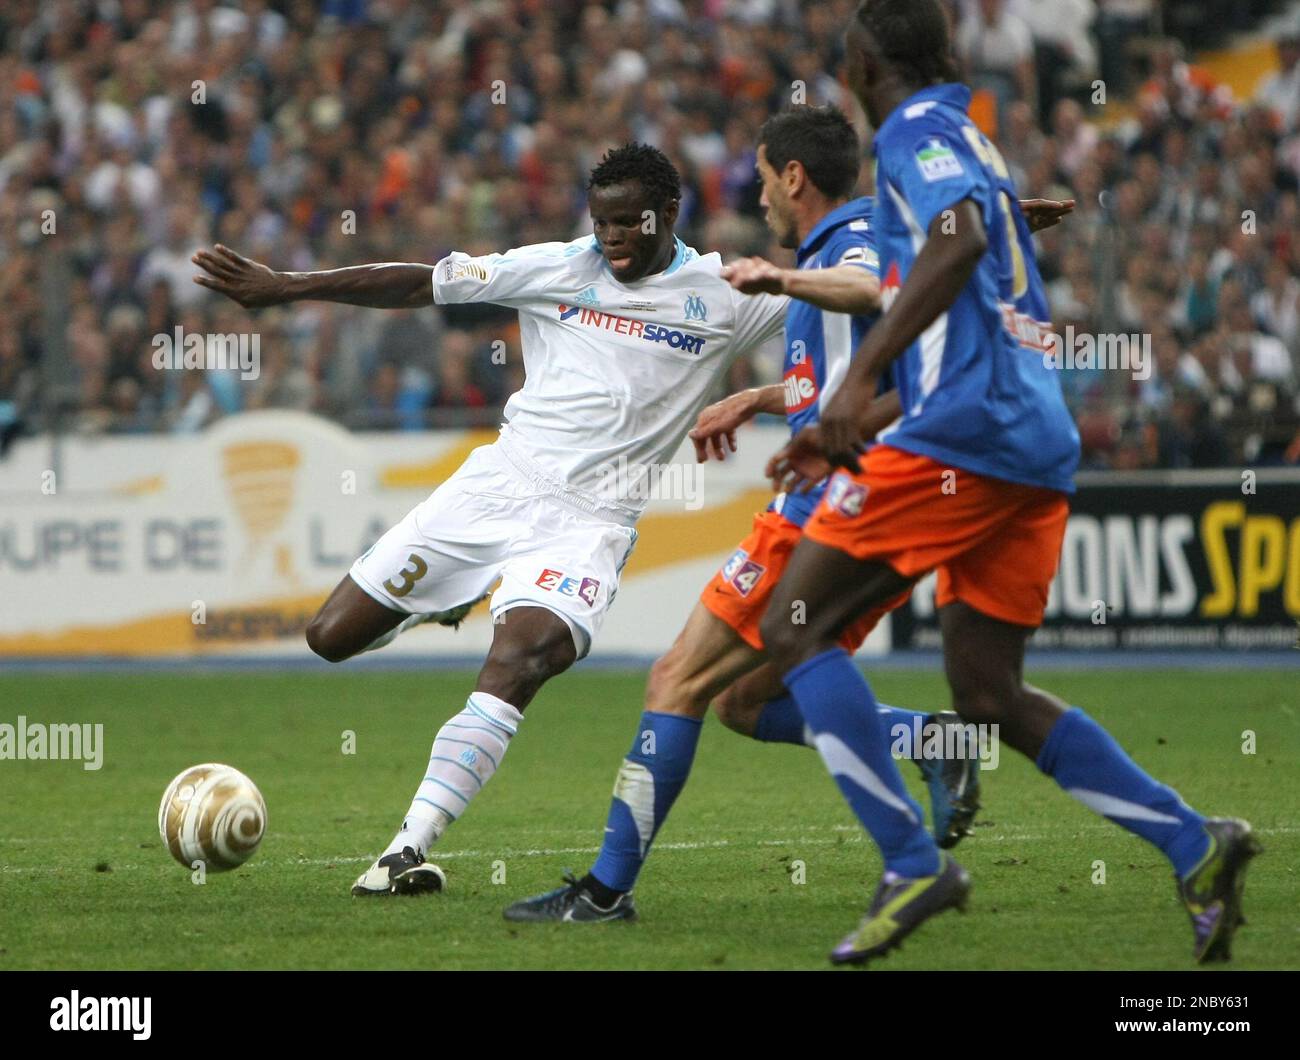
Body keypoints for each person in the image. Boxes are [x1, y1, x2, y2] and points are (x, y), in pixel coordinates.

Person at [757, 0, 1258, 965]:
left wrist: (856, 389)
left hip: (968, 431)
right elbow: (955, 260)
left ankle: (911, 863)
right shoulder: (975, 141)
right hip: (1035, 433)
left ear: (863, 63)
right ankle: (1195, 844)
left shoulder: (913, 133)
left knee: (792, 627)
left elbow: (955, 245)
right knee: (986, 692)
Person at [502, 106, 1074, 923]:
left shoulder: (846, 251)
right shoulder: (873, 228)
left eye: (764, 177)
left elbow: (895, 318)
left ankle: (603, 891)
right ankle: (928, 739)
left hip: (829, 507)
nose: (758, 194)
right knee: (742, 701)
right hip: (865, 506)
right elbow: (874, 345)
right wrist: (762, 396)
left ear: (794, 177)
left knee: (678, 680)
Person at [192, 143, 791, 897]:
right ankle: (444, 602)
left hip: (589, 522)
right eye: (600, 223)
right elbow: (420, 283)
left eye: (628, 224)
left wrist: (764, 397)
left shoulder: (727, 294)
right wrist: (285, 287)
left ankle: (406, 850)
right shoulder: (557, 266)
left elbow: (846, 337)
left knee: (521, 660)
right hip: (497, 487)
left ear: (670, 215)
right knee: (330, 637)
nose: (611, 240)